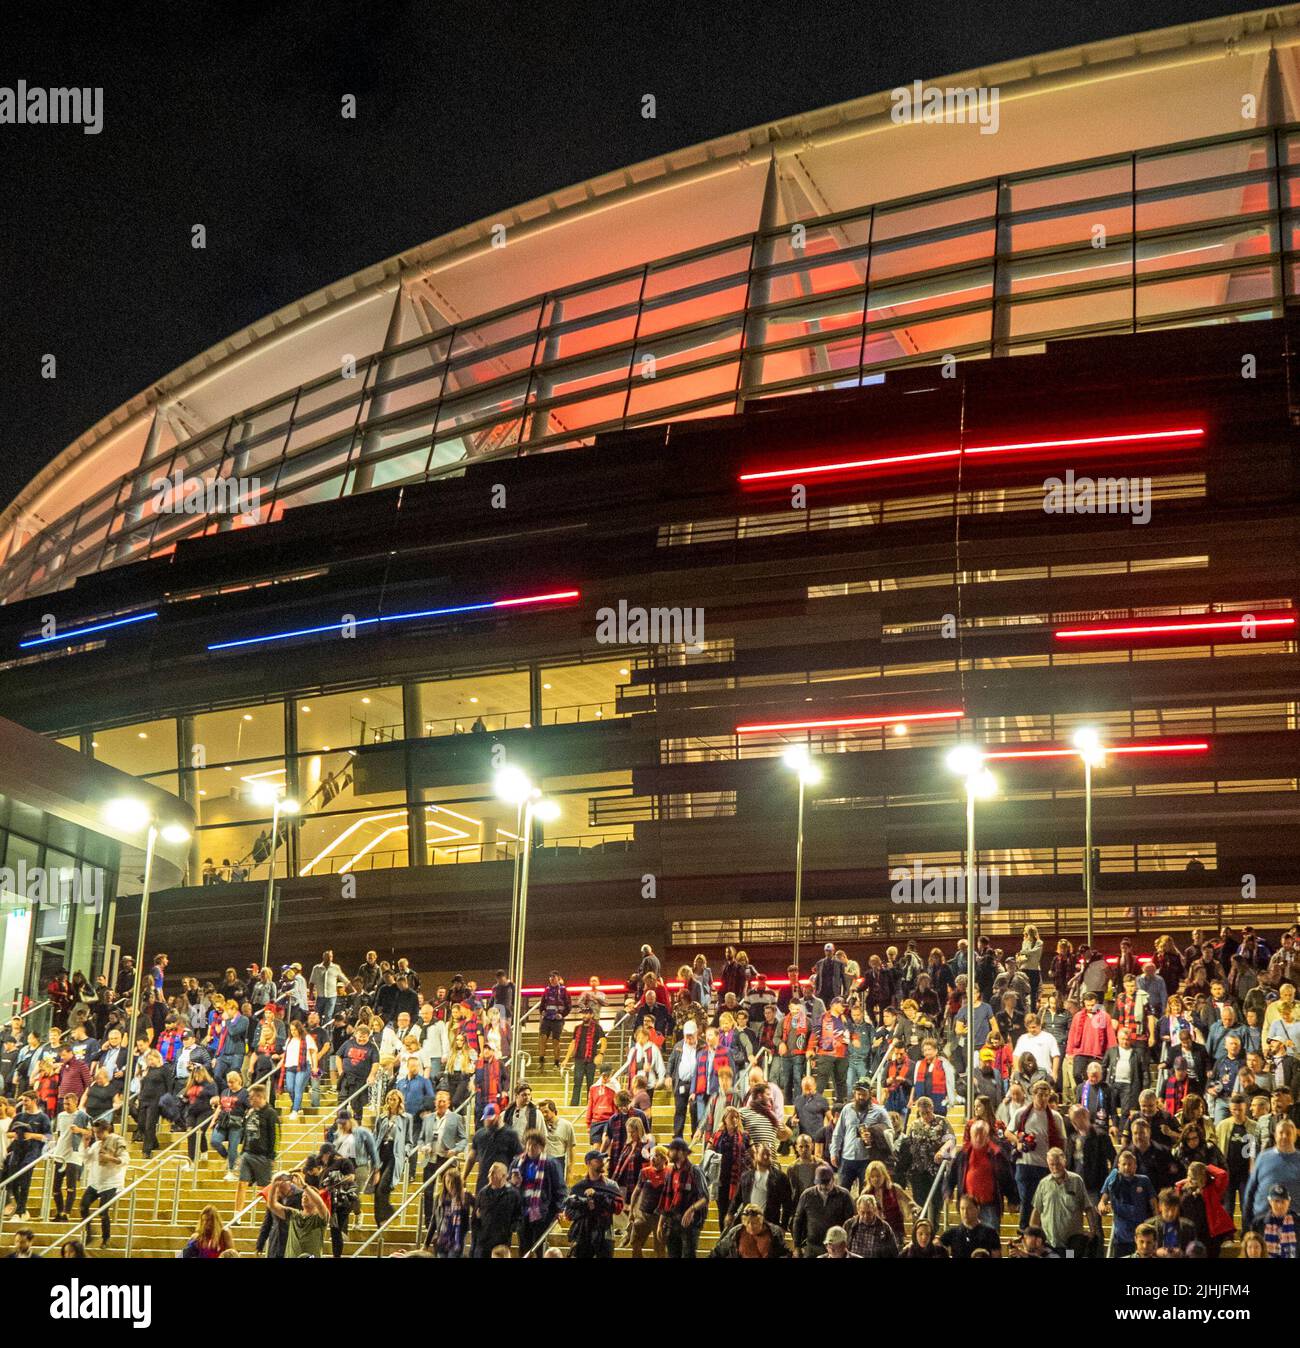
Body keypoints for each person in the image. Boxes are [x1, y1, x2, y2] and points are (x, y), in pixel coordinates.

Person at [509, 1128, 567, 1254]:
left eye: (535, 1145)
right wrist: (513, 1183)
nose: (531, 1148)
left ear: (541, 1147)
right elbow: (510, 1189)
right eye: (528, 1144)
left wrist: (560, 1209)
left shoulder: (551, 1164)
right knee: (524, 1247)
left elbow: (560, 1189)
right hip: (523, 1212)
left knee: (540, 1248)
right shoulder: (516, 1163)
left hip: (543, 1213)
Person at [1030, 1146, 1095, 1256]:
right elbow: (1037, 1211)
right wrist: (1033, 1234)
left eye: (1058, 1164)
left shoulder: (1076, 1181)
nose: (1055, 1168)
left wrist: (1092, 1230)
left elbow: (1088, 1207)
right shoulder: (1043, 1184)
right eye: (1051, 1165)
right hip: (1049, 1243)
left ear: (1064, 1162)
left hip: (1071, 1244)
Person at [562, 1149, 623, 1258]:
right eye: (598, 1160)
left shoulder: (611, 1186)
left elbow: (618, 1208)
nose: (602, 1162)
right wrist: (585, 1207)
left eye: (602, 1160)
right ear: (588, 1163)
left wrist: (598, 1196)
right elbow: (568, 1213)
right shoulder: (578, 1187)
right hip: (583, 1233)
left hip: (604, 1232)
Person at [657, 1136, 709, 1258]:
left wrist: (691, 1209)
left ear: (681, 1152)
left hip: (689, 1223)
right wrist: (660, 1223)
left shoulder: (694, 1170)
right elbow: (666, 1200)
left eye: (671, 1150)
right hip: (672, 1221)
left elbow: (705, 1197)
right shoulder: (671, 1172)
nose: (668, 1153)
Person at [78, 1118, 127, 1248]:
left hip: (111, 1183)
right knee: (83, 1206)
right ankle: (89, 1232)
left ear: (106, 1130)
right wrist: (85, 1144)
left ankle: (106, 1239)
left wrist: (109, 1158)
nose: (96, 1135)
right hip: (95, 1182)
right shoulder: (96, 1145)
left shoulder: (117, 1141)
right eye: (95, 1132)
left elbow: (125, 1160)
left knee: (103, 1211)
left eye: (99, 1132)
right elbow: (86, 1159)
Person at [1099, 1149, 1156, 1258]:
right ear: (1118, 1166)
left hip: (1141, 1236)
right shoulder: (1112, 1180)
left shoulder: (1144, 1181)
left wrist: (1155, 1223)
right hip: (1121, 1235)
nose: (1126, 1167)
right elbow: (1102, 1201)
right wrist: (1102, 1207)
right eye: (1124, 1164)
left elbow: (1153, 1202)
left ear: (1135, 1166)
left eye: (1130, 1164)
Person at [791, 1162, 854, 1258]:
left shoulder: (844, 1195)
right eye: (820, 1183)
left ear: (833, 1180)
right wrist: (797, 1246)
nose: (823, 1186)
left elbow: (850, 1223)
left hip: (836, 1248)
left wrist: (847, 1245)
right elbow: (798, 1221)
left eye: (826, 1183)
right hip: (812, 1246)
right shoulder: (807, 1195)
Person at [233, 1082, 278, 1214]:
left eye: (252, 1097)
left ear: (259, 1097)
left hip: (263, 1156)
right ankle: (237, 1215)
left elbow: (276, 1135)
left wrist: (272, 1156)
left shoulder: (271, 1114)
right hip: (248, 1153)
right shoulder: (250, 1112)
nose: (250, 1100)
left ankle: (272, 1214)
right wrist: (242, 1153)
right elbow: (246, 1134)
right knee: (242, 1183)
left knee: (265, 1188)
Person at [472, 1162, 522, 1257]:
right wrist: (478, 1234)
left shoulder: (513, 1194)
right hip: (484, 1241)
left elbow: (518, 1215)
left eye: (494, 1173)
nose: (490, 1175)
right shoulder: (483, 1193)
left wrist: (511, 1228)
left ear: (504, 1176)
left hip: (502, 1241)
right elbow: (475, 1218)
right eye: (490, 1172)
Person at [710, 1201, 790, 1258]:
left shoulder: (774, 1232)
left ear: (761, 1221)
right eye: (748, 1223)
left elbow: (785, 1253)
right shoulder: (736, 1232)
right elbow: (718, 1252)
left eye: (755, 1223)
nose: (751, 1226)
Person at [939, 1192, 1001, 1258]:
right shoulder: (952, 1233)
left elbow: (996, 1255)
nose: (965, 1212)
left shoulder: (990, 1233)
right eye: (962, 1209)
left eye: (969, 1208)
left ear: (978, 1209)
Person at [844, 1191, 899, 1258]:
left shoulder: (884, 1227)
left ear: (874, 1210)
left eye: (869, 1213)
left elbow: (894, 1252)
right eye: (862, 1212)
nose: (866, 1216)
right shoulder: (849, 1225)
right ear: (858, 1210)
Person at [1252, 1182, 1297, 1258]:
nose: (1279, 1206)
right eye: (1276, 1201)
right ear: (1270, 1202)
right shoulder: (1258, 1223)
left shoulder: (1297, 1222)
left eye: (1283, 1202)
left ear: (1289, 1202)